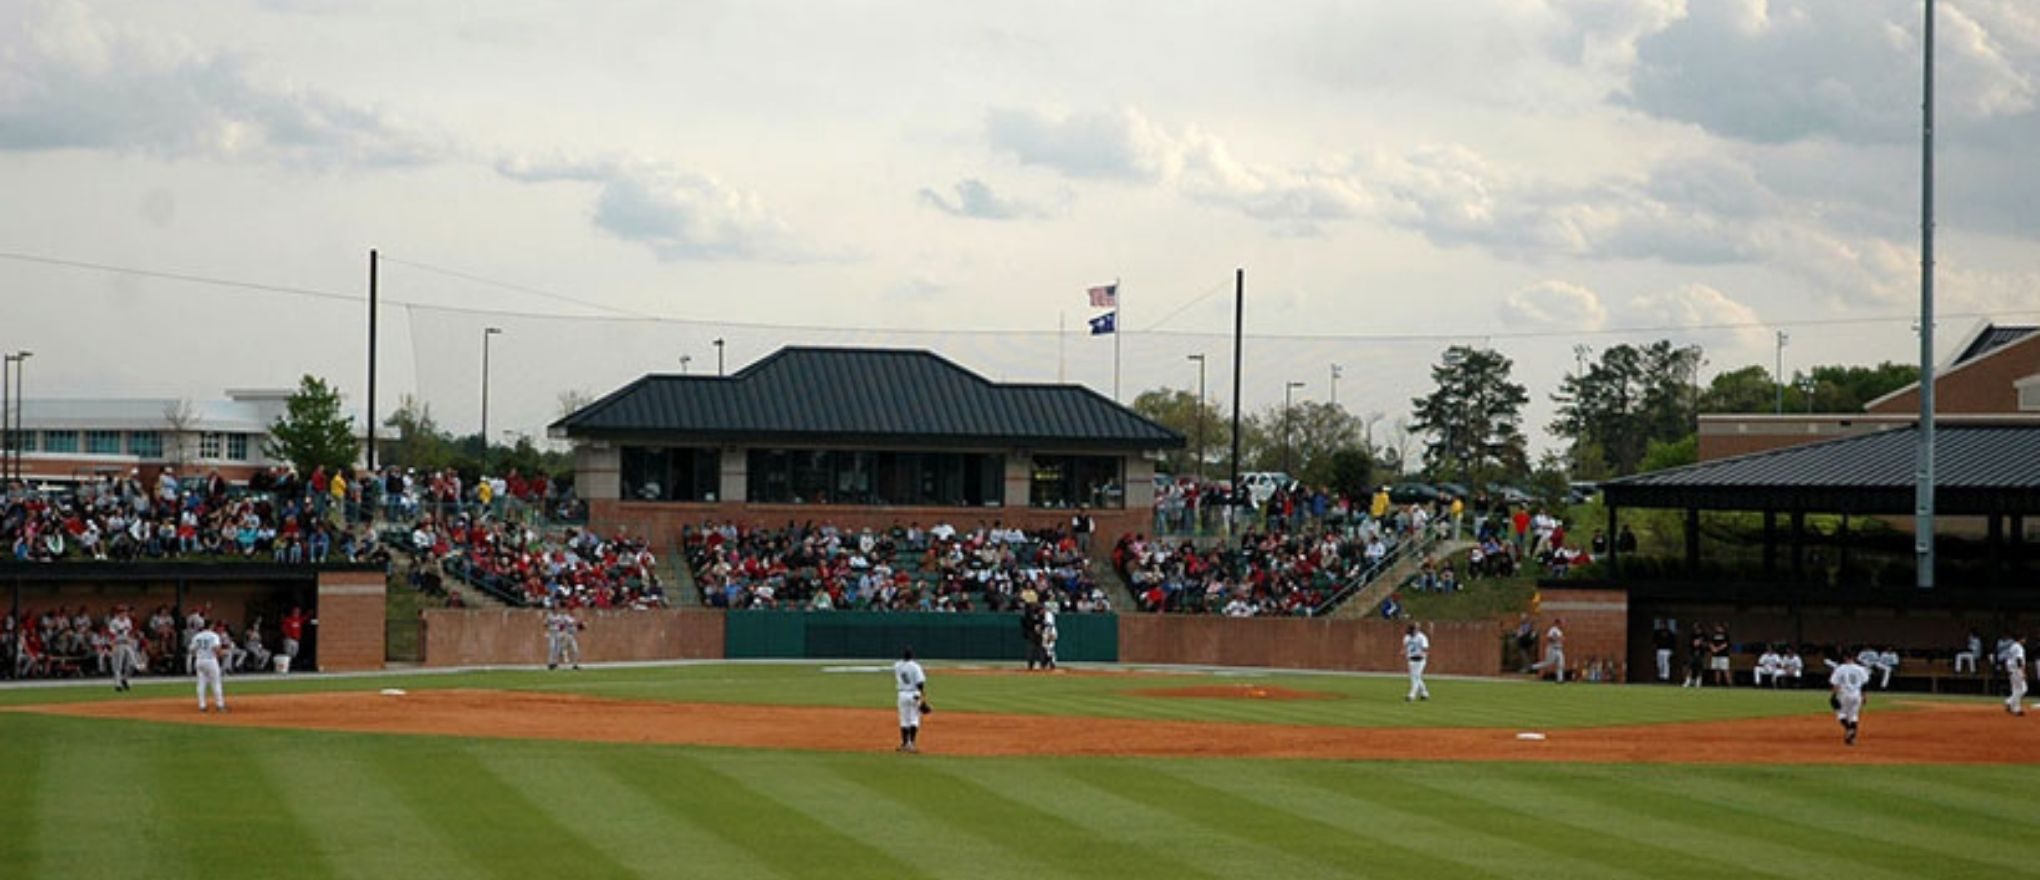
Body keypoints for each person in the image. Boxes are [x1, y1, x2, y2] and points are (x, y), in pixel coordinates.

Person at [1829, 649, 1870, 746]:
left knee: (1841, 713)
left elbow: (1835, 684)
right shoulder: (1860, 669)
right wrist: (1864, 696)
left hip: (1844, 695)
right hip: (1857, 695)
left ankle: (1849, 729)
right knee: (1854, 716)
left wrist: (1833, 696)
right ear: (1853, 657)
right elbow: (1865, 684)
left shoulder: (1840, 669)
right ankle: (1852, 739)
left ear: (1845, 657)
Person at [893, 646, 928, 753]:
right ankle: (911, 744)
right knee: (914, 719)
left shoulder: (897, 665)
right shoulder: (915, 666)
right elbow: (920, 683)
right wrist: (923, 697)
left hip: (902, 694)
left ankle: (904, 744)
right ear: (912, 656)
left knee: (904, 720)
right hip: (914, 694)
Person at [190, 621, 228, 713]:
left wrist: (199, 654)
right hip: (210, 660)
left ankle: (202, 706)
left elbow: (192, 650)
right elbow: (216, 649)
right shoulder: (214, 635)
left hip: (199, 661)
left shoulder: (197, 636)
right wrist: (223, 653)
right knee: (216, 683)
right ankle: (220, 705)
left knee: (201, 684)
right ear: (211, 626)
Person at [108, 605, 140, 692]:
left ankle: (124, 679)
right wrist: (112, 646)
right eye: (122, 612)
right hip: (118, 644)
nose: (124, 613)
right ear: (118, 613)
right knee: (118, 666)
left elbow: (129, 632)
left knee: (133, 664)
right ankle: (118, 685)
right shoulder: (114, 622)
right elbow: (111, 635)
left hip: (127, 644)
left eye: (125, 611)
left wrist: (131, 639)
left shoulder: (127, 620)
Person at [1403, 623, 1430, 702]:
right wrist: (1404, 652)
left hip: (1420, 660)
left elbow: (1425, 647)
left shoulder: (1422, 637)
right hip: (1411, 659)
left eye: (1413, 629)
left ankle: (1411, 695)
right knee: (1415, 677)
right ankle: (1425, 693)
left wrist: (1423, 654)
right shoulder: (1407, 637)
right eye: (1411, 629)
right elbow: (1406, 646)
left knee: (1415, 677)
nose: (1412, 631)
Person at [1534, 618, 1566, 683]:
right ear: (1557, 623)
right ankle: (1533, 667)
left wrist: (1561, 639)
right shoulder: (1553, 630)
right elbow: (1549, 638)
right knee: (1548, 663)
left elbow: (1560, 639)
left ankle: (1560, 680)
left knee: (1561, 664)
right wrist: (1557, 639)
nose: (1563, 624)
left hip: (1559, 649)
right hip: (1552, 649)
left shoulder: (1559, 631)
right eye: (1561, 623)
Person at [2005, 635, 2028, 717]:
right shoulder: (2019, 648)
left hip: (2011, 669)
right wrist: (2023, 672)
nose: (2025, 640)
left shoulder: (2012, 647)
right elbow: (2019, 660)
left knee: (2018, 689)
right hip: (2017, 670)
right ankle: (2016, 709)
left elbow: (2008, 659)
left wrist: (2008, 669)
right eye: (2024, 638)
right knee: (2020, 689)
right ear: (2021, 639)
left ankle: (2009, 702)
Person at [279, 607, 306, 674]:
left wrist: (309, 614)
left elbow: (304, 619)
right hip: (289, 639)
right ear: (292, 612)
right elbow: (283, 628)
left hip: (296, 640)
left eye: (298, 612)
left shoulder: (299, 620)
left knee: (294, 654)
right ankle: (286, 668)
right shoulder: (288, 620)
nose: (297, 613)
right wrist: (288, 635)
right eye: (296, 612)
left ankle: (289, 666)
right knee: (288, 653)